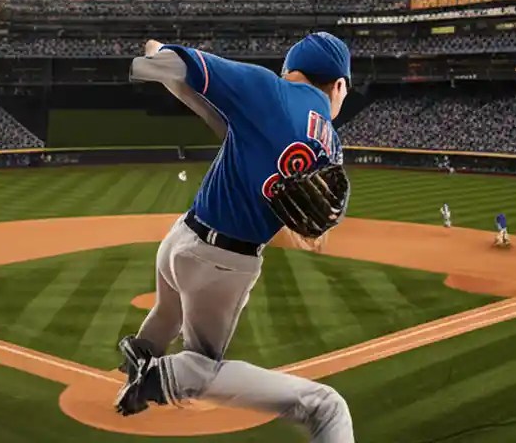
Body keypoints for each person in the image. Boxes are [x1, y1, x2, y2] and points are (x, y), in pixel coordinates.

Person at [114, 33, 355, 443]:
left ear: (290, 71)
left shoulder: (268, 89)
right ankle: (156, 374)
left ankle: (142, 355)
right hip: (223, 264)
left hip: (180, 240)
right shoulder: (331, 147)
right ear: (339, 85)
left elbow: (185, 68)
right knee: (203, 366)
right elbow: (313, 226)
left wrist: (154, 54)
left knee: (169, 309)